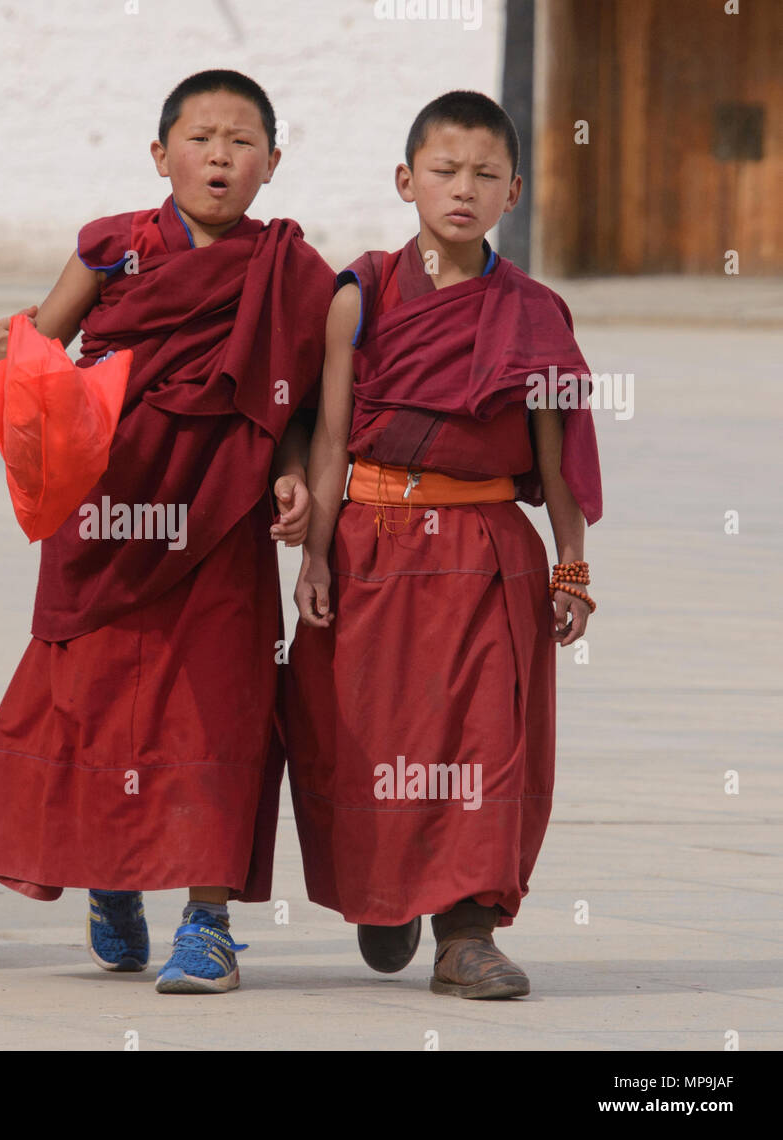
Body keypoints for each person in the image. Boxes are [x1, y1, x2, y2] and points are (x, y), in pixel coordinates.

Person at [0, 70, 333, 994]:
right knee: (93, 705)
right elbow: (38, 347)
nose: (220, 155)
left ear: (273, 163)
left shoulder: (290, 270)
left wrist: (291, 472)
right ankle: (110, 877)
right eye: (201, 137)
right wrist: (21, 359)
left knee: (220, 706)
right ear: (160, 153)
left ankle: (206, 923)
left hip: (221, 514)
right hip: (110, 511)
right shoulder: (111, 250)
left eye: (242, 141)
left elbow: (292, 396)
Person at [287, 90, 603, 998]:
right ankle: (386, 896)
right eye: (444, 170)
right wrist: (313, 550)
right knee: (378, 730)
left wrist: (572, 564)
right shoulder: (362, 295)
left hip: (490, 549)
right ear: (405, 180)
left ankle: (467, 933)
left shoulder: (534, 311)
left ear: (514, 192)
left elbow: (558, 456)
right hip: (376, 541)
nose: (462, 190)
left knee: (486, 737)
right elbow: (332, 435)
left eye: (485, 175)